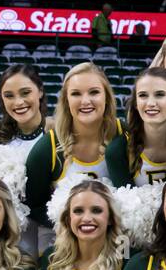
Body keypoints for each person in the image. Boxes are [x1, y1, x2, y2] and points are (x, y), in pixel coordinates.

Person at [24, 62, 121, 215]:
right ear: (66, 100)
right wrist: (71, 224)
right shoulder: (48, 147)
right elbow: (33, 206)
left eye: (94, 92)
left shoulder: (125, 134)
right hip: (59, 236)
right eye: (76, 94)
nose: (85, 101)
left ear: (107, 97)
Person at [0, 64, 54, 257]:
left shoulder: (57, 130)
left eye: (25, 92)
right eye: (9, 95)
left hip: (50, 232)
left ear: (40, 91)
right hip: (4, 238)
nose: (18, 102)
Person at [104, 67, 166, 186]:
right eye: (143, 95)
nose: (151, 103)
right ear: (136, 103)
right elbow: (124, 203)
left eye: (159, 94)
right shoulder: (118, 150)